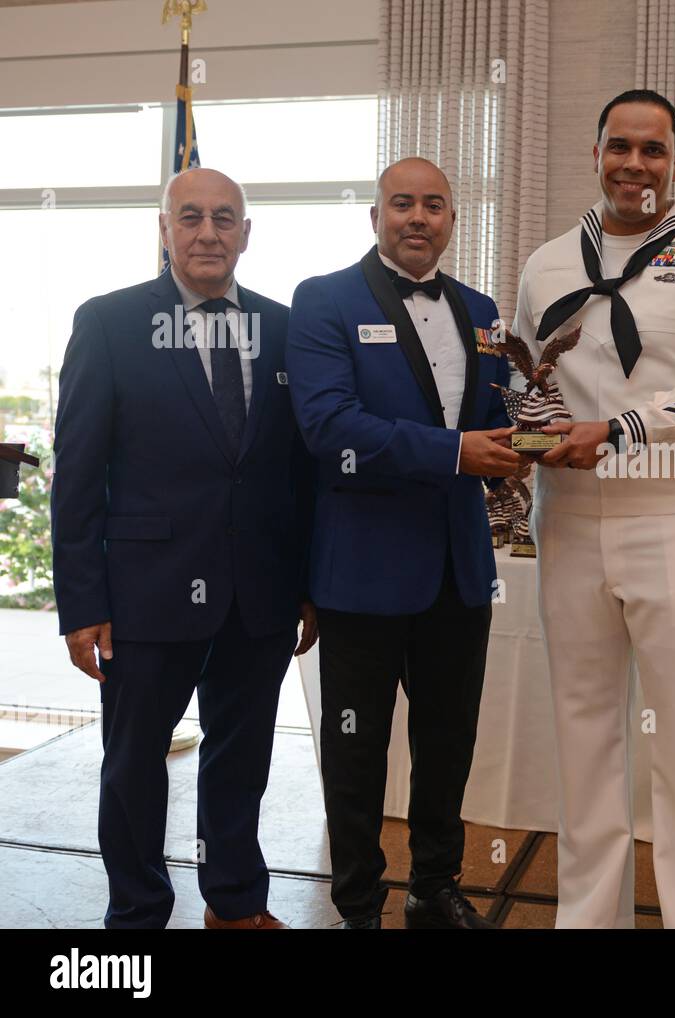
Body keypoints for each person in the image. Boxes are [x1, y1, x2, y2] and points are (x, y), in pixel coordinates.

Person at [513, 89, 675, 928]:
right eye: (619, 146)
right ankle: (590, 918)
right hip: (570, 518)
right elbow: (529, 382)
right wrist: (520, 445)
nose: (635, 164)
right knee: (584, 738)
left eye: (653, 150)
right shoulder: (548, 262)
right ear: (596, 155)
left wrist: (621, 429)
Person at [52, 167, 316, 930]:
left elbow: (298, 472)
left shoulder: (285, 328)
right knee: (135, 766)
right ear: (163, 230)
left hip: (258, 593)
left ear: (246, 233)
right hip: (144, 591)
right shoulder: (108, 321)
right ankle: (136, 914)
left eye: (225, 219)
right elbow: (78, 473)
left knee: (241, 759)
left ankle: (234, 902)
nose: (208, 233)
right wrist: (83, 603)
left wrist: (303, 583)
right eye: (191, 217)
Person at [286, 157, 519, 930]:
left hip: (458, 567)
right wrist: (457, 453)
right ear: (377, 215)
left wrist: (536, 437)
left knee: (449, 740)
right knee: (357, 749)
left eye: (435, 206)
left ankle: (434, 886)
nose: (418, 218)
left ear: (452, 218)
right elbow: (328, 425)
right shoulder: (323, 301)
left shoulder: (483, 311)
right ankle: (357, 903)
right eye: (402, 204)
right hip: (361, 570)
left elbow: (494, 421)